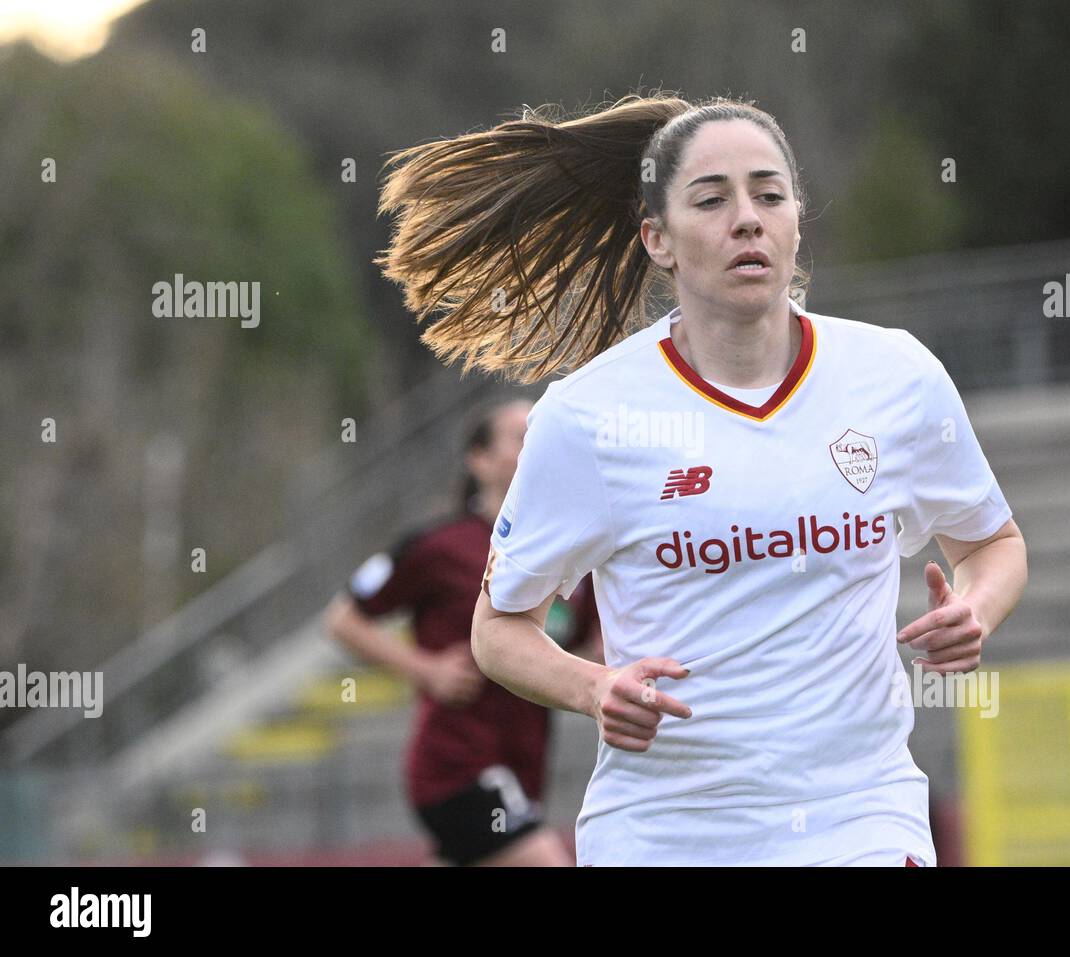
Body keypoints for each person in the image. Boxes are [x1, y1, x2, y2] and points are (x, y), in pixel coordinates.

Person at [375, 93, 1028, 866]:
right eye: (712, 200)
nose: (746, 218)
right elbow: (498, 628)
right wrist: (595, 688)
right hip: (666, 832)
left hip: (861, 816)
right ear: (659, 239)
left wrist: (977, 610)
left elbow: (994, 541)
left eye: (769, 194)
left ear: (794, 219)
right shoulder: (589, 417)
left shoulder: (896, 374)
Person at [325, 397, 604, 866]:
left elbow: (592, 649)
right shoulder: (441, 545)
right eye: (521, 436)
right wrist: (426, 669)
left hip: (526, 766)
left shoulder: (571, 548)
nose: (539, 446)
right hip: (457, 767)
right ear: (479, 460)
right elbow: (343, 619)